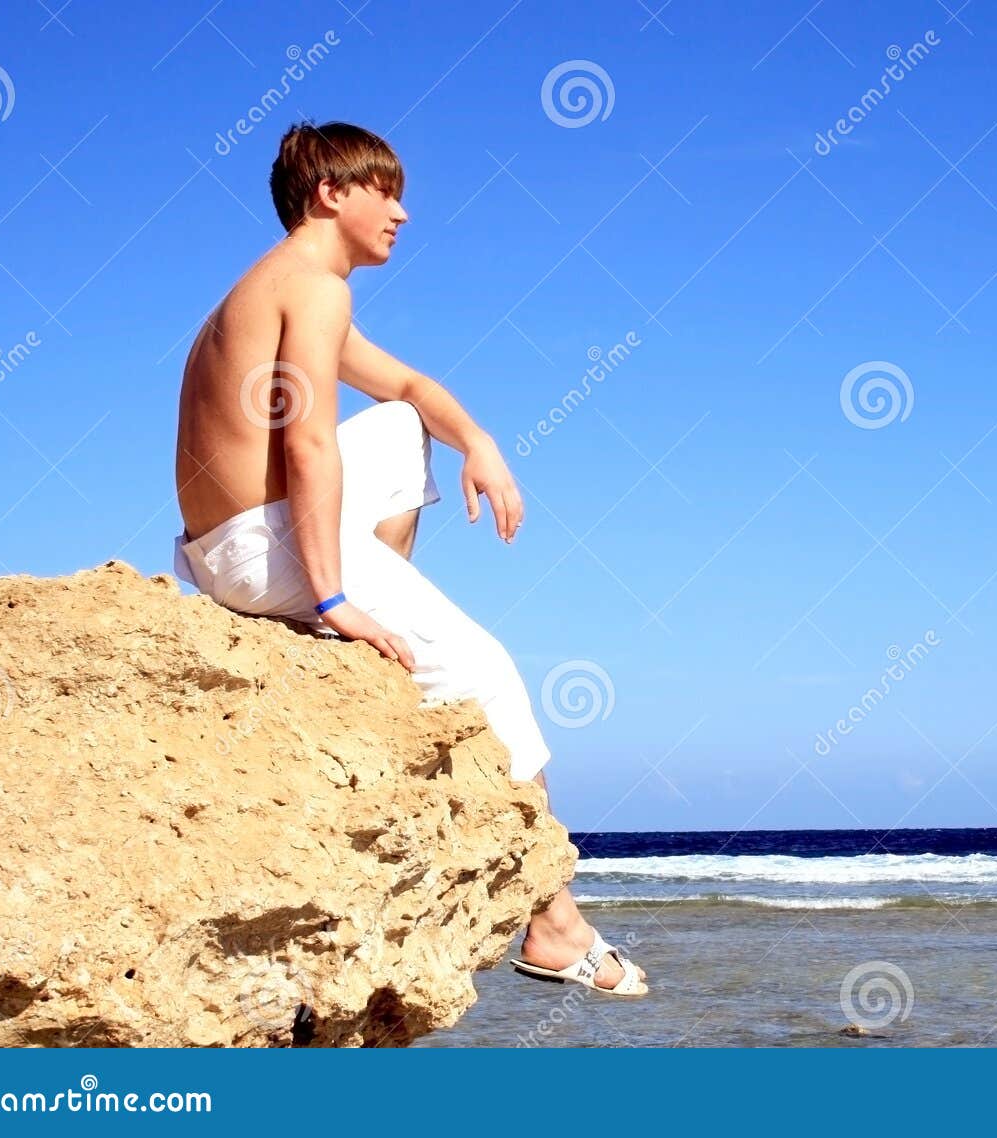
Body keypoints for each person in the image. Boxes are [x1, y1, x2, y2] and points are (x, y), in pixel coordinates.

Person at [170, 119, 646, 997]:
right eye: (384, 191)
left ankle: (371, 632)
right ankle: (554, 924)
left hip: (221, 546)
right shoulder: (312, 288)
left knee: (401, 425)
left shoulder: (274, 288)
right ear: (330, 196)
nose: (403, 211)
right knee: (494, 675)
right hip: (262, 550)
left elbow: (412, 390)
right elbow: (307, 444)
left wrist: (481, 440)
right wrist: (337, 597)